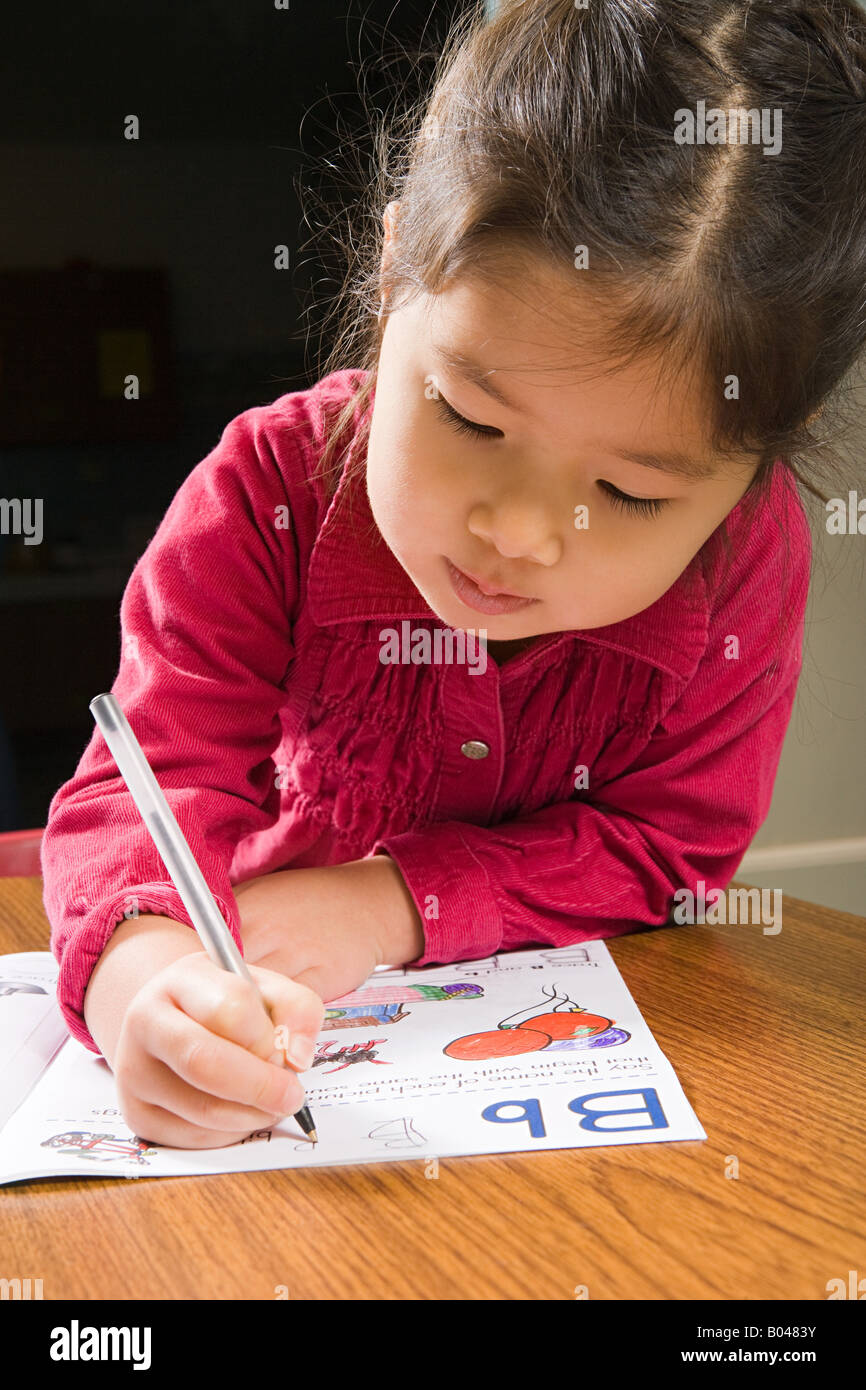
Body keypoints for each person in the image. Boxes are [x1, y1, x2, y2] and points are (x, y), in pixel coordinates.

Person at [40, 0, 866, 1149]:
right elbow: (141, 788)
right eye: (470, 416)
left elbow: (666, 851)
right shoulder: (264, 490)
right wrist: (150, 985)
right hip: (271, 1017)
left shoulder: (745, 556)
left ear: (759, 456)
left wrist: (390, 902)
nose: (520, 533)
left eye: (629, 495)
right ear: (389, 281)